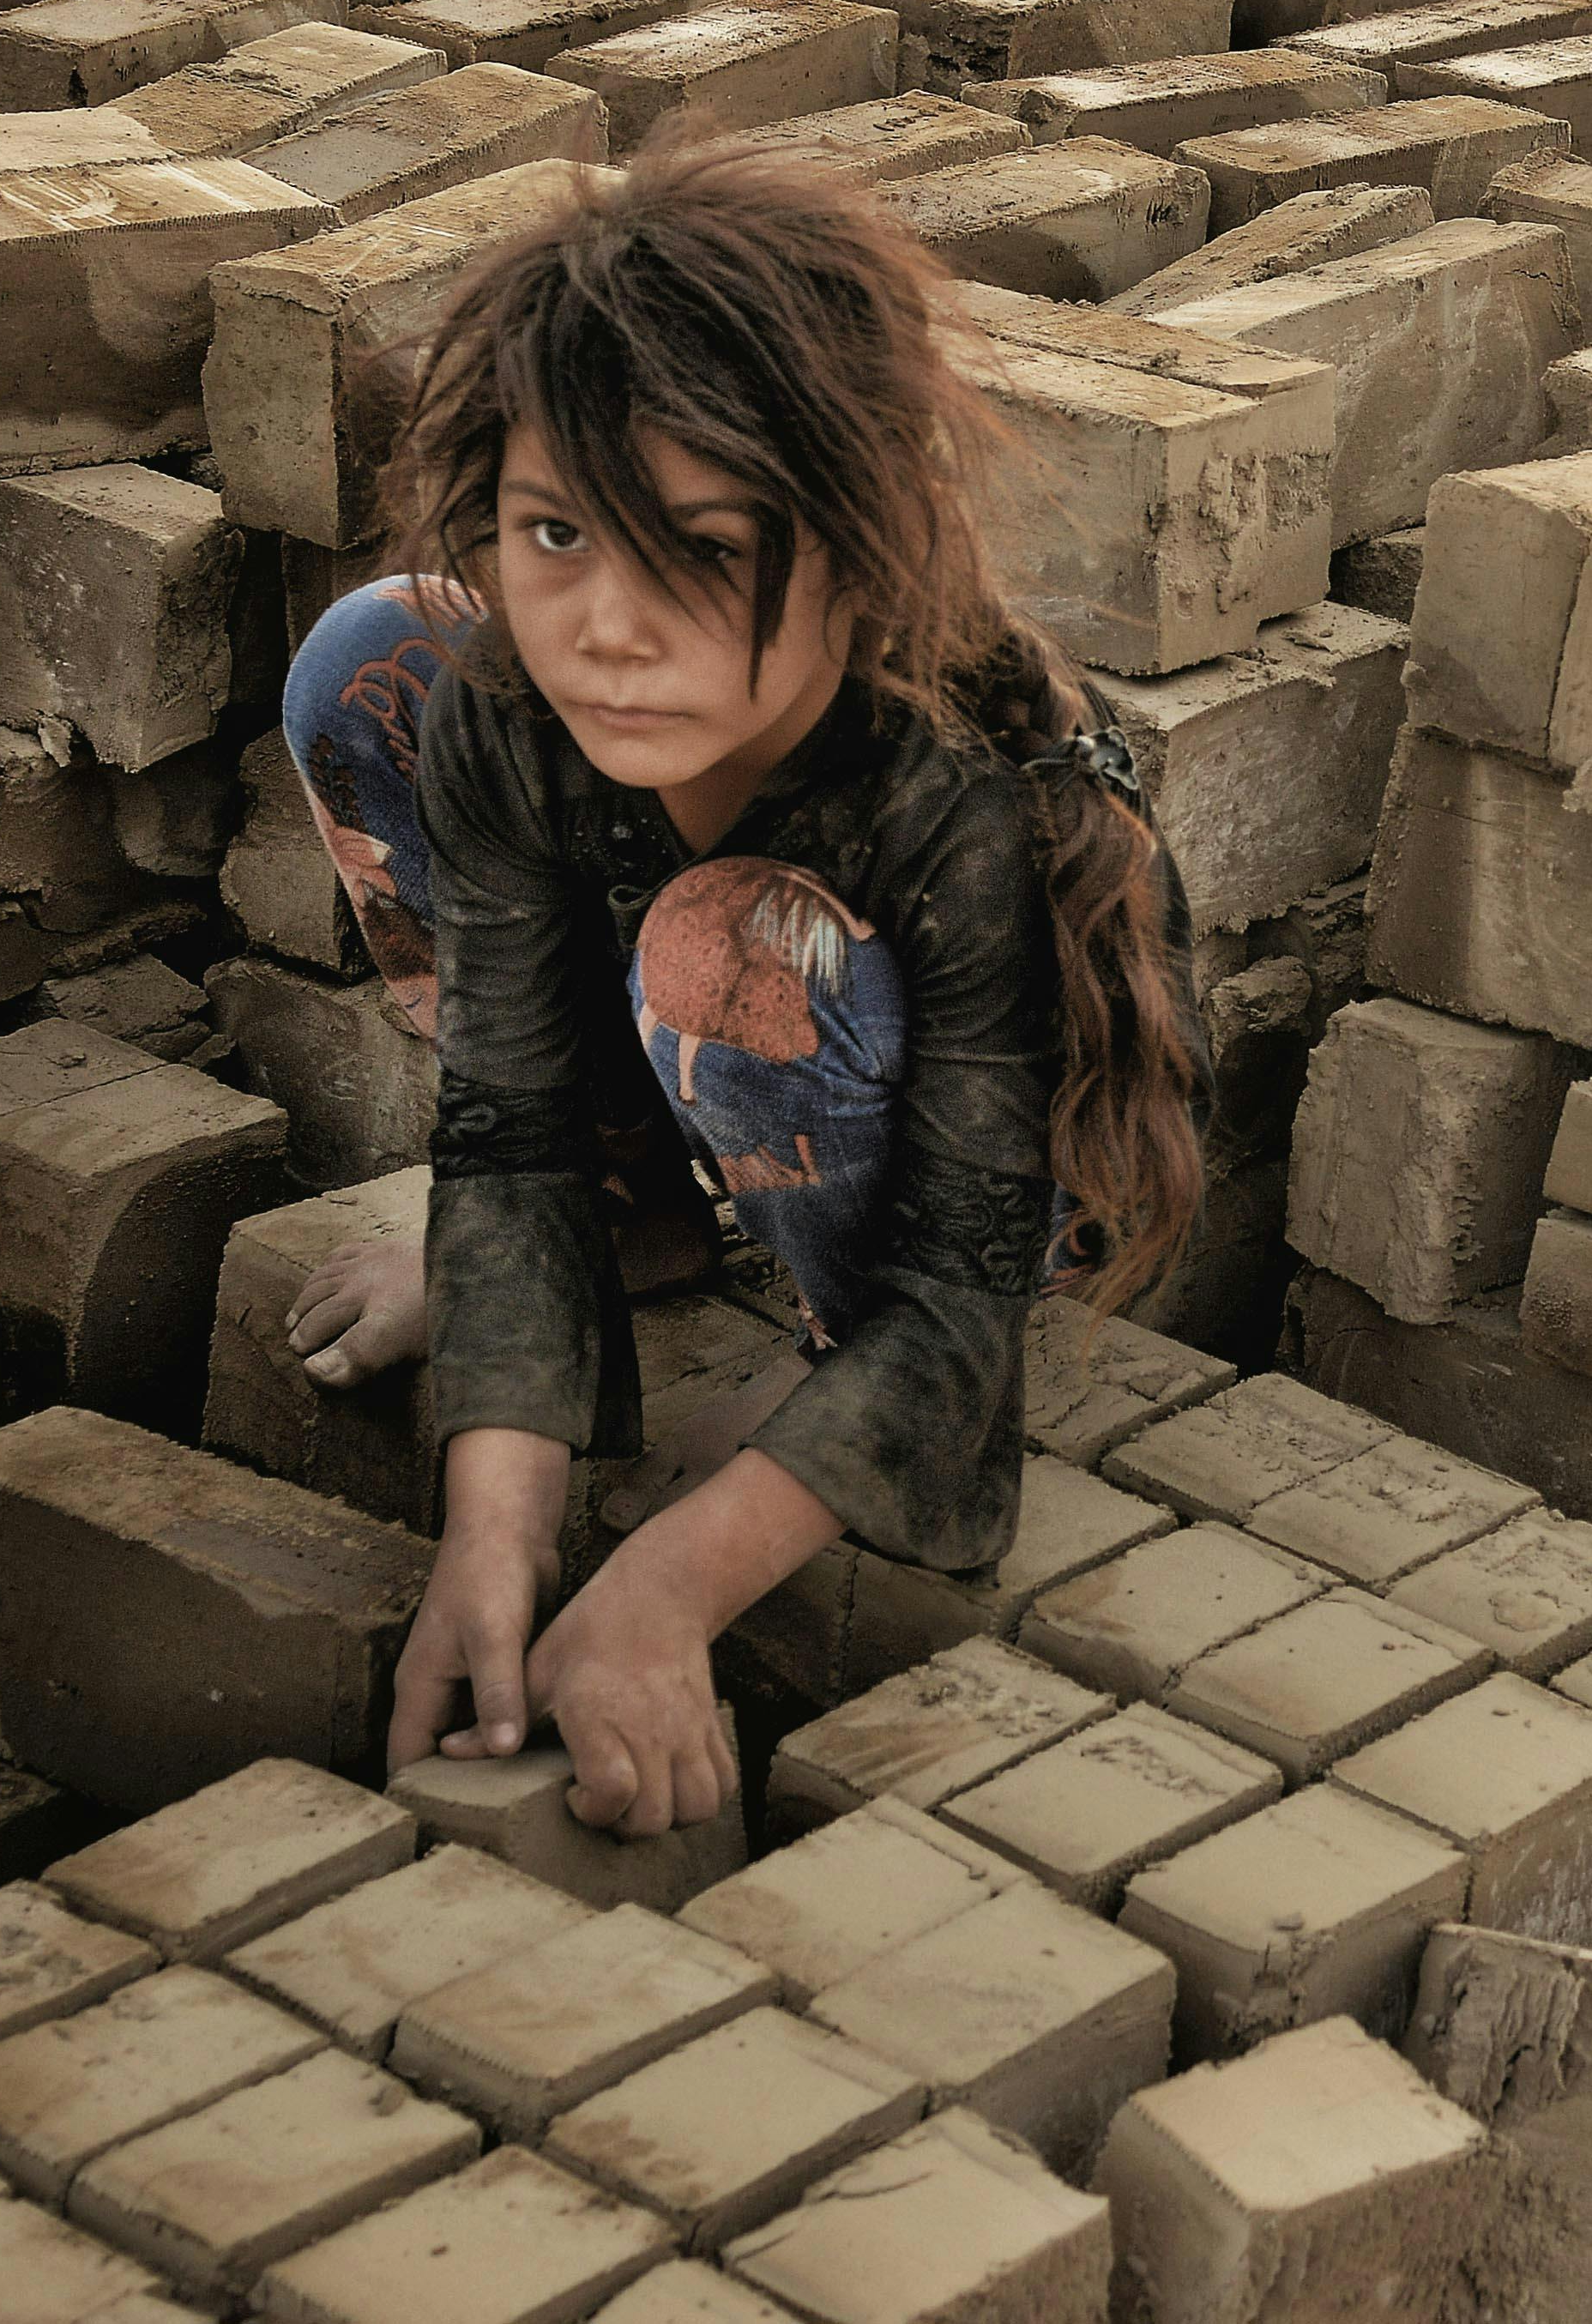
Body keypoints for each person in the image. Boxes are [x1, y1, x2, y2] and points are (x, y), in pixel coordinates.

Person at [270, 147, 1204, 1837]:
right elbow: (504, 1126)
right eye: (555, 532)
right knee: (371, 660)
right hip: (689, 1024)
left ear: (854, 547)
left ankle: (820, 1351)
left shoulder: (968, 797)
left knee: (726, 944)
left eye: (700, 548)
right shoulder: (524, 699)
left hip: (997, 1196)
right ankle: (641, 1220)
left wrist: (671, 1585)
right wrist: (499, 1527)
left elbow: (965, 1282)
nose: (607, 627)